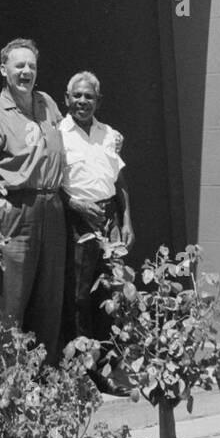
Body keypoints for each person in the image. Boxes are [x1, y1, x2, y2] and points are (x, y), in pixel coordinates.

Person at [0, 38, 66, 365]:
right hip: (14, 212)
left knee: (49, 300)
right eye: (19, 65)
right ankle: (6, 385)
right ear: (3, 70)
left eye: (31, 66)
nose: (26, 71)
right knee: (10, 301)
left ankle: (44, 383)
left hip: (51, 208)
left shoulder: (48, 104)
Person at [60, 71, 134, 386]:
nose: (82, 101)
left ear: (98, 101)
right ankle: (82, 372)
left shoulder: (109, 135)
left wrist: (127, 220)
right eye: (77, 95)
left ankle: (112, 369)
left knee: (114, 294)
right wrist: (74, 205)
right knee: (79, 297)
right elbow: (51, 183)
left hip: (110, 220)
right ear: (67, 99)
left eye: (89, 96)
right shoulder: (57, 135)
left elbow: (120, 182)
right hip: (77, 219)